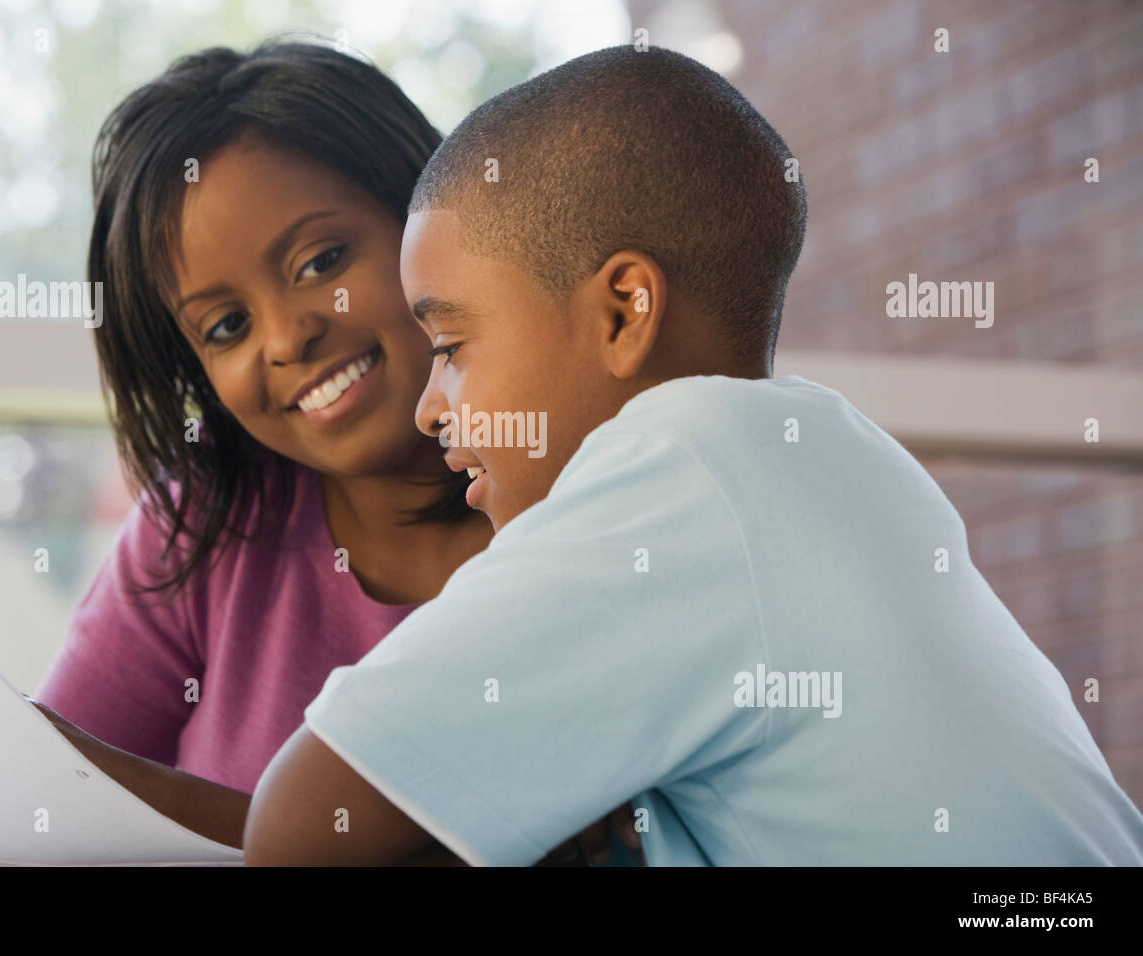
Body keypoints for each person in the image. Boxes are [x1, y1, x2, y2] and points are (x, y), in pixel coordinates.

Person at [242, 44, 1143, 865]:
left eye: (451, 347)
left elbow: (302, 826)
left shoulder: (676, 471)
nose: (432, 408)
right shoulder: (834, 455)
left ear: (623, 312)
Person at [0, 38, 635, 865]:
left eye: (322, 261)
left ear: (429, 224)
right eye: (225, 327)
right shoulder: (204, 527)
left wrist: (105, 780)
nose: (290, 335)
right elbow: (51, 810)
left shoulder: (602, 513)